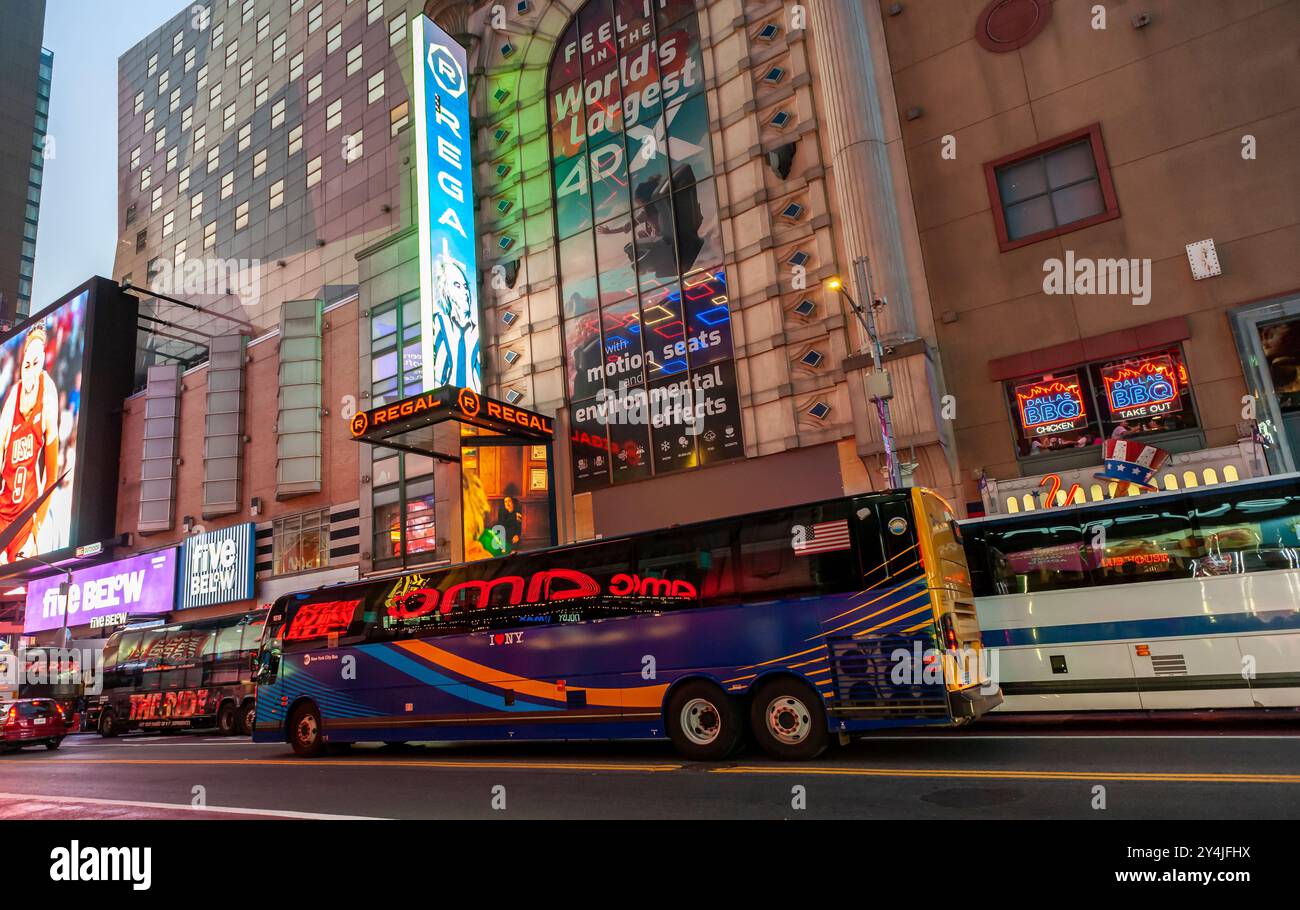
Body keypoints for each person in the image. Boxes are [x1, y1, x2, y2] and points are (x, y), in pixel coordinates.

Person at [0, 325, 60, 564]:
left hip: (26, 515)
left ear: (42, 364)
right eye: (27, 365)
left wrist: (39, 521)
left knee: (22, 577)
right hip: (3, 511)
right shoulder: (13, 397)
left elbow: (52, 473)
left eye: (36, 363)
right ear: (21, 367)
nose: (31, 370)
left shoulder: (48, 394)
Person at [494, 483, 524, 554]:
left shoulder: (518, 509)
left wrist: (517, 535)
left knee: (514, 551)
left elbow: (519, 525)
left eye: (509, 501)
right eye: (505, 502)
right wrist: (513, 516)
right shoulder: (502, 510)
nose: (507, 504)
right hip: (504, 535)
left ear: (513, 502)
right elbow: (501, 524)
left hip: (513, 535)